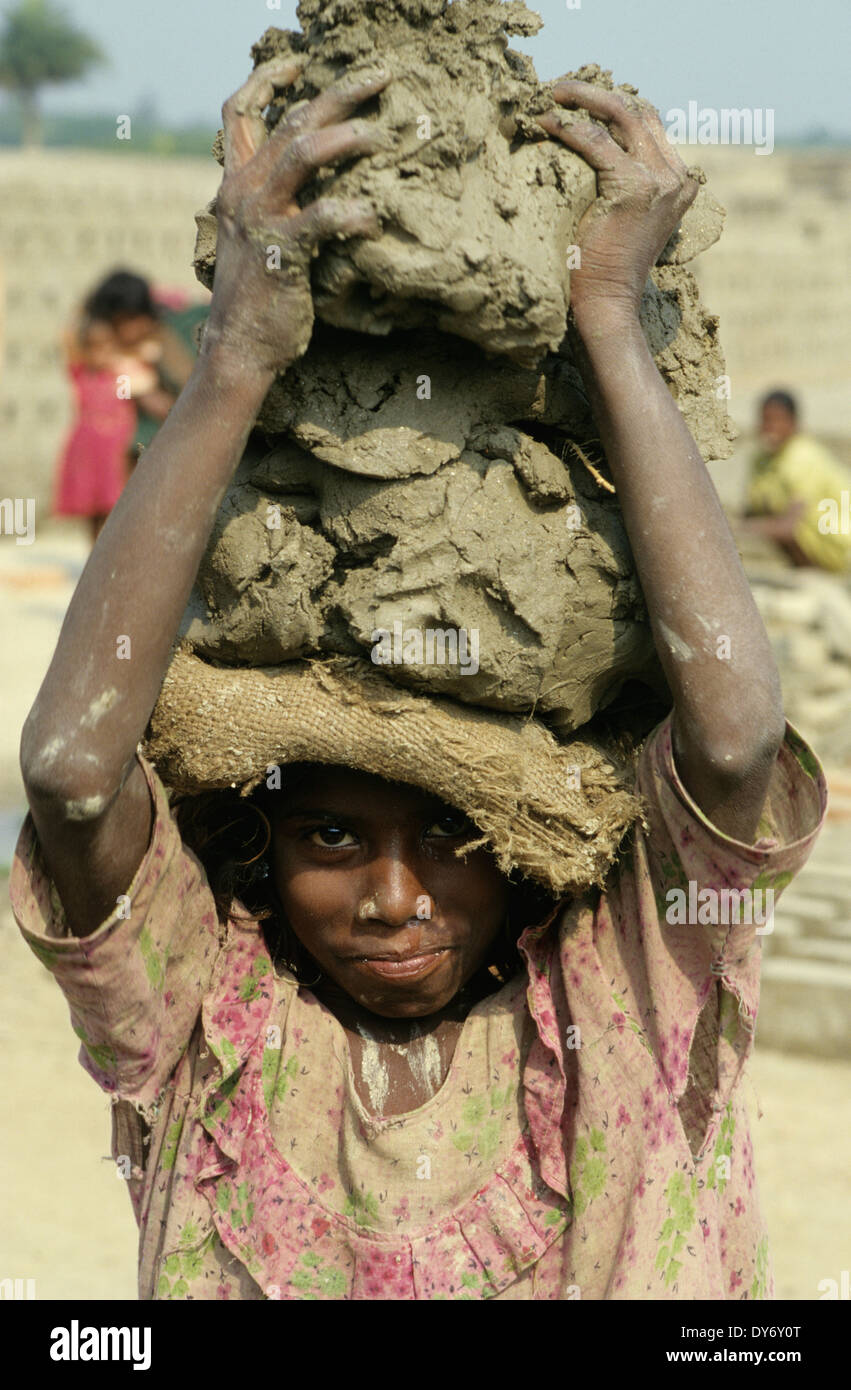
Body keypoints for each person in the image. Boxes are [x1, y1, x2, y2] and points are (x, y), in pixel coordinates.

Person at [14, 63, 825, 1301]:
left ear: (529, 853)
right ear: (256, 847)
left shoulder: (625, 992)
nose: (396, 900)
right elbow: (75, 772)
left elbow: (729, 739)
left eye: (455, 833)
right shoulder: (206, 1022)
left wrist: (606, 313)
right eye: (330, 833)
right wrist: (235, 354)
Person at [54, 272, 170, 543]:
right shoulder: (84, 373)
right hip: (88, 453)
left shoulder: (127, 373)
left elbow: (154, 399)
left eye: (106, 346)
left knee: (116, 514)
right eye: (93, 347)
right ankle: (94, 566)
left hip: (116, 457)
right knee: (93, 516)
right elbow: (69, 336)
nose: (100, 353)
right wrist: (91, 305)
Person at [743, 389, 851, 573]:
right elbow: (754, 510)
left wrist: (740, 529)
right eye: (766, 420)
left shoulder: (803, 456)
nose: (770, 427)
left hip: (839, 552)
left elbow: (788, 527)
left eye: (777, 420)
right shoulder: (761, 460)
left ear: (793, 422)